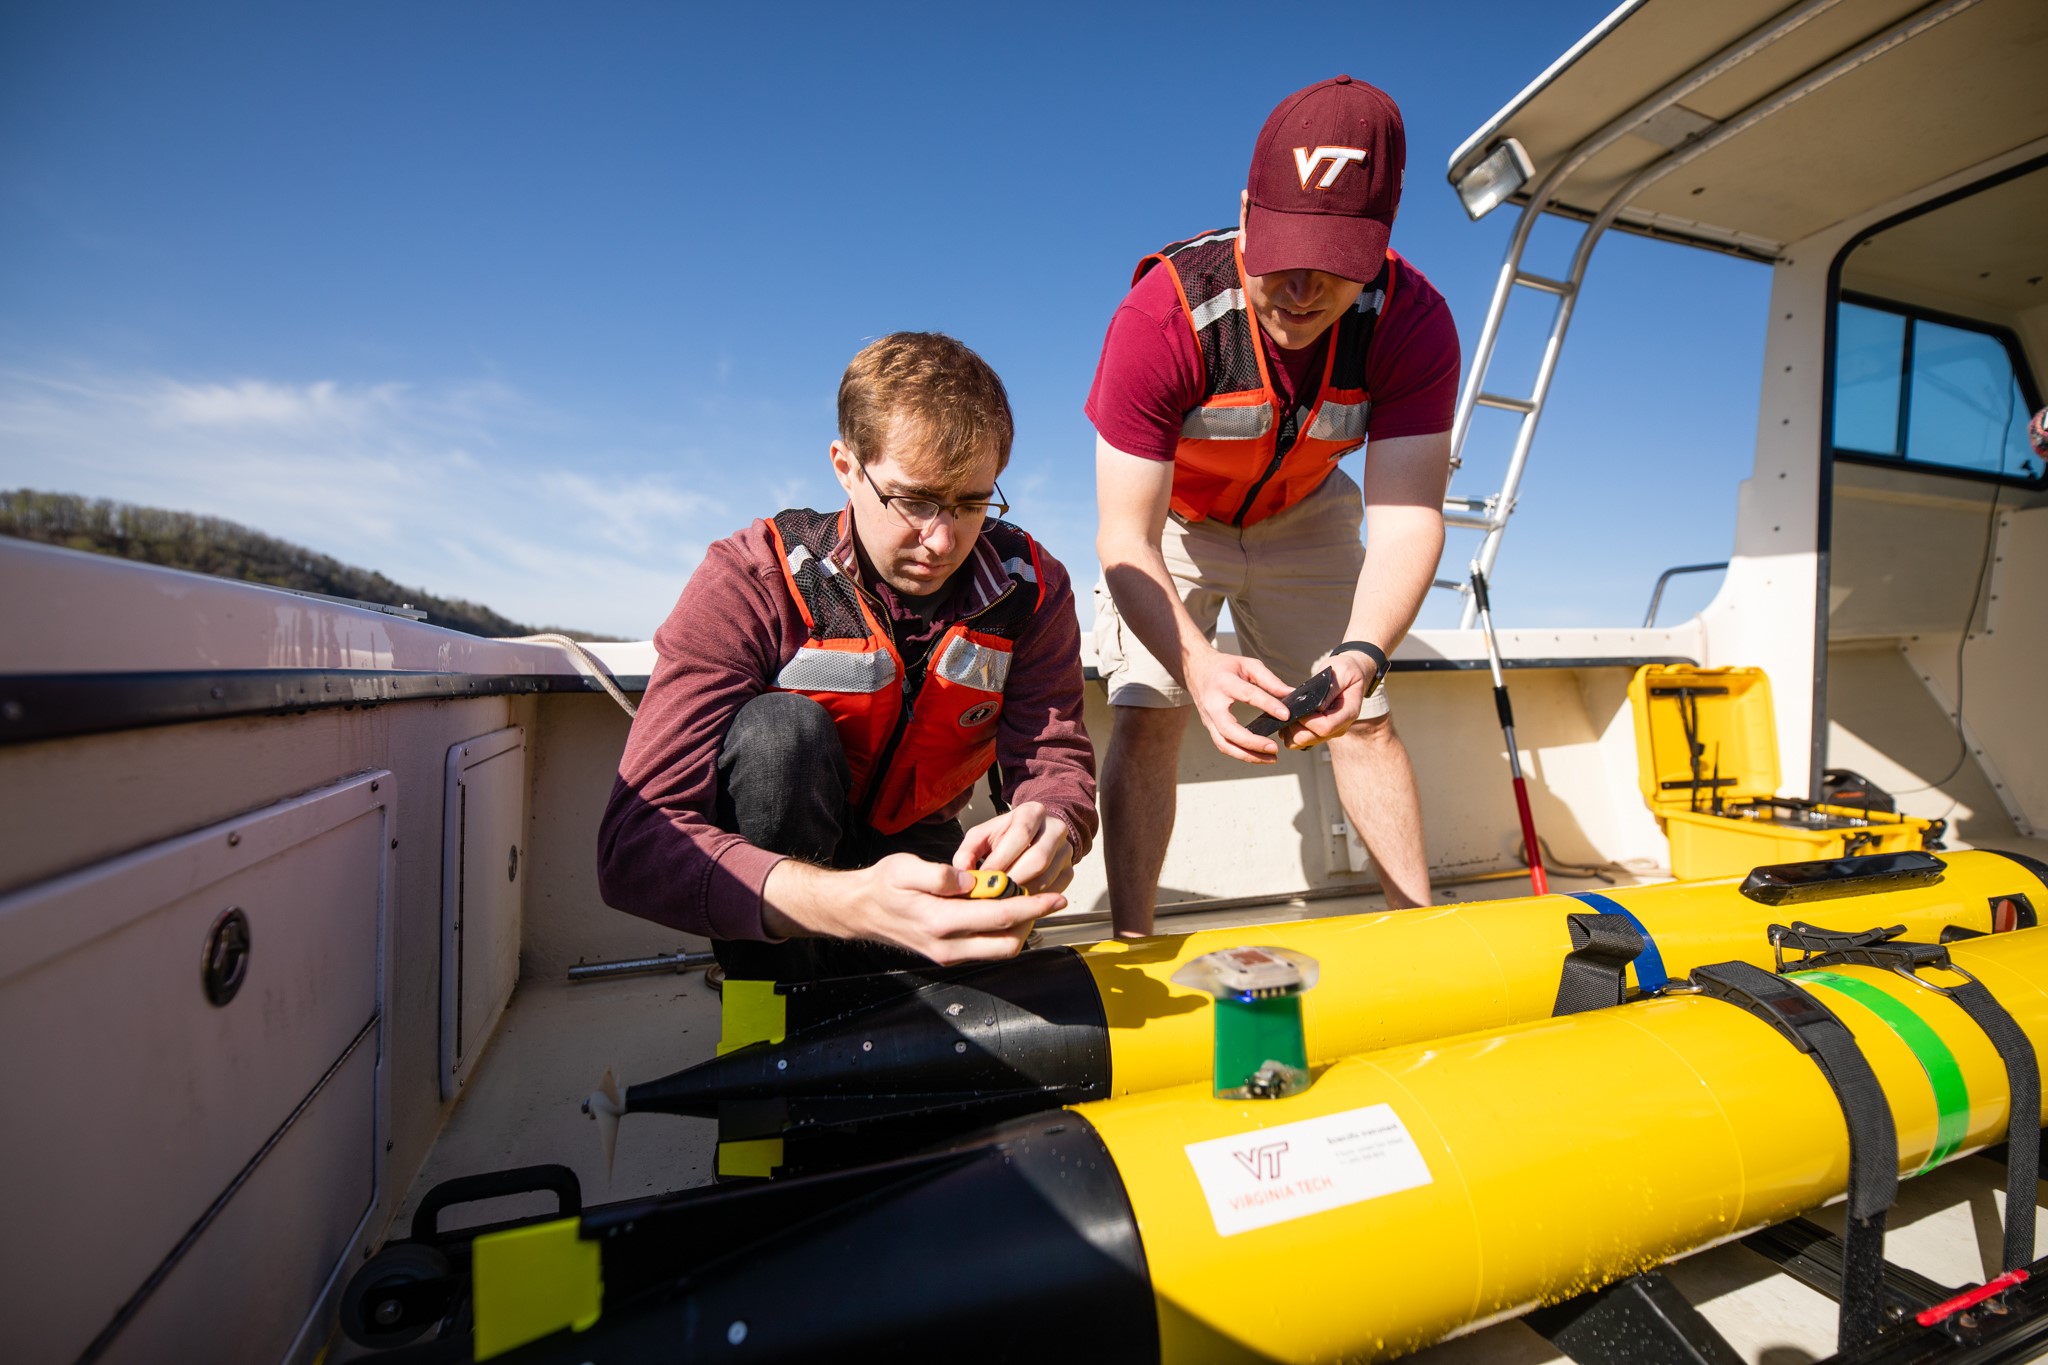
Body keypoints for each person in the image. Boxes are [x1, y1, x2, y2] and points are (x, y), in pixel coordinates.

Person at [599, 332, 1096, 981]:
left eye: (972, 502)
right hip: (774, 893)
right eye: (913, 500)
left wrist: (1051, 820)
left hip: (920, 854)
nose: (943, 540)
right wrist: (852, 903)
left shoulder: (1031, 590)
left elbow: (1054, 763)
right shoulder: (752, 577)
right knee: (782, 736)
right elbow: (636, 843)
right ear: (846, 466)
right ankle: (762, 1007)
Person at [1089, 76, 1460, 936]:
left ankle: (1421, 935)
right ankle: (1133, 940)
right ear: (1246, 211)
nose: (1300, 291)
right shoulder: (1161, 318)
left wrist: (1362, 652)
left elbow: (1408, 518)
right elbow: (1124, 534)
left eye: (1333, 265)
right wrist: (1193, 662)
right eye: (1283, 253)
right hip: (1174, 527)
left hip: (1307, 517)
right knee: (1150, 713)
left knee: (1361, 718)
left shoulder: (1414, 323)